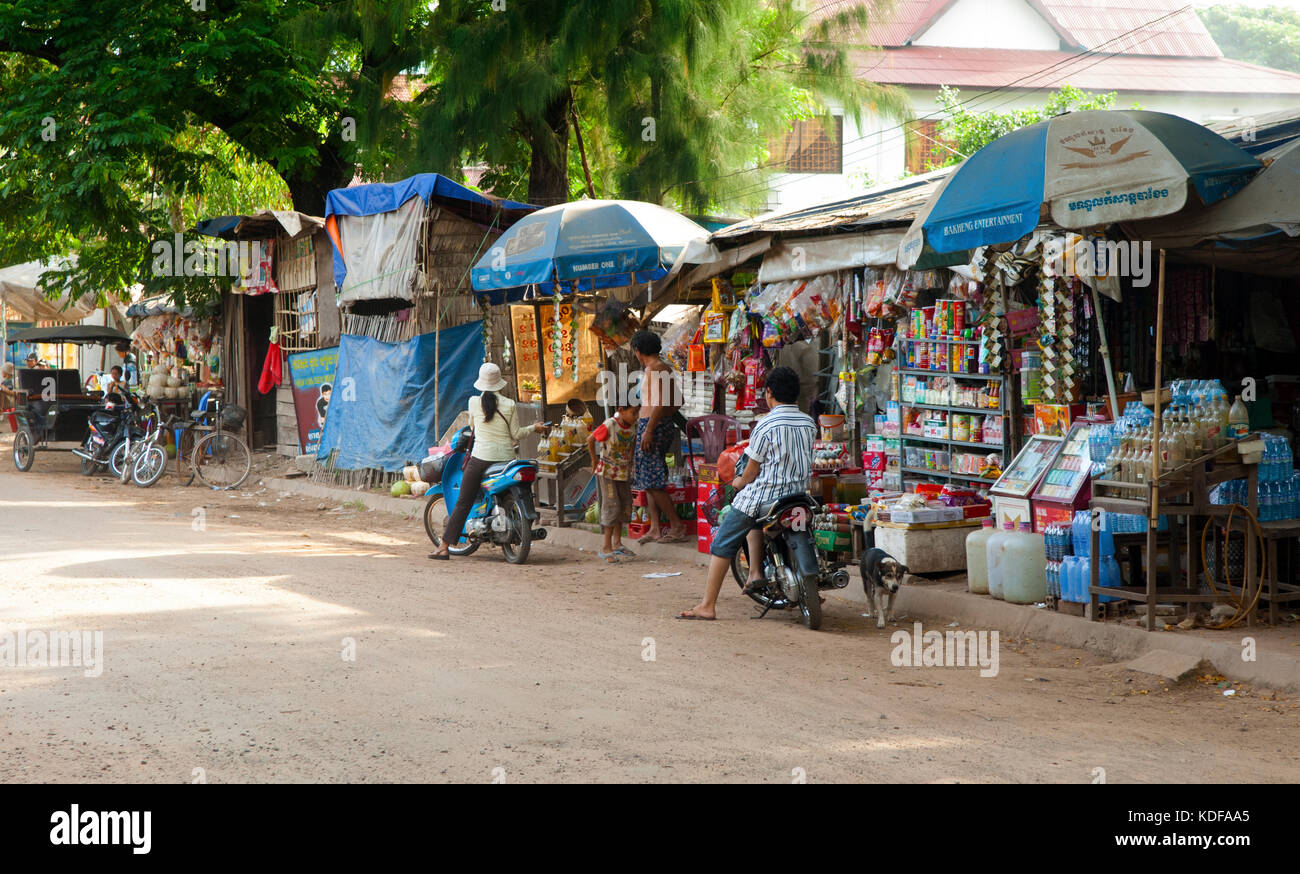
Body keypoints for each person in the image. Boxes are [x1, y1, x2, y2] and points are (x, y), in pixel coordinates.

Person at [678, 366, 816, 621]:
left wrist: (739, 481)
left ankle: (707, 605)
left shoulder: (766, 425)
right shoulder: (809, 423)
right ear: (796, 394)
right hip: (799, 495)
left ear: (770, 394)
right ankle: (757, 573)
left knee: (722, 543)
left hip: (767, 497)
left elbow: (751, 471)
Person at [430, 362, 548, 560]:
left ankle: (443, 546)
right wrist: (534, 428)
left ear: (481, 383)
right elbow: (516, 434)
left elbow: (471, 426)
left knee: (463, 502)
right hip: (506, 459)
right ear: (500, 383)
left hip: (481, 458)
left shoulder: (474, 402)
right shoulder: (509, 404)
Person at [630, 330, 688, 543]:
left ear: (638, 351)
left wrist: (650, 428)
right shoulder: (658, 369)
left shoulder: (656, 369)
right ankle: (655, 527)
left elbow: (662, 402)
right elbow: (677, 401)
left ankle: (676, 526)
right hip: (654, 424)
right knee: (648, 479)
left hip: (652, 426)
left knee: (653, 480)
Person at [587, 402, 639, 563]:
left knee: (625, 504)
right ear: (621, 411)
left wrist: (630, 459)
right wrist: (594, 459)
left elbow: (633, 442)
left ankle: (617, 543)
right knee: (612, 505)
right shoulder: (610, 424)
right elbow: (591, 439)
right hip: (607, 472)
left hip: (623, 472)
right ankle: (606, 547)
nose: (635, 416)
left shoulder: (633, 426)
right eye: (633, 413)